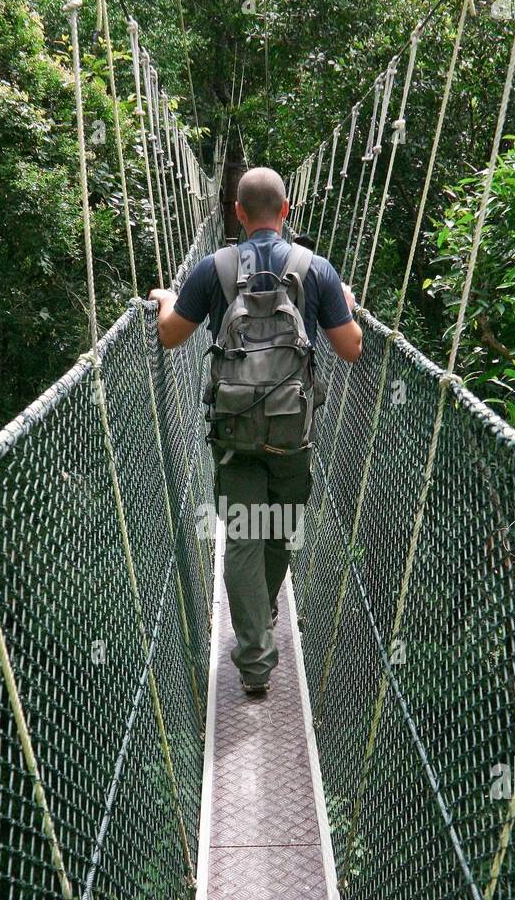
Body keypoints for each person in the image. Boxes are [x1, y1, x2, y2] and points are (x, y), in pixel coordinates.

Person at [149, 166, 362, 696]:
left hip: (234, 433)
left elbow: (171, 337)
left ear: (238, 214)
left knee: (243, 536)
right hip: (292, 435)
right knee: (282, 529)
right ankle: (263, 608)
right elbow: (351, 347)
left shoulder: (213, 267)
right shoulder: (317, 270)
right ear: (286, 211)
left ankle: (254, 662)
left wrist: (167, 300)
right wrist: (346, 306)